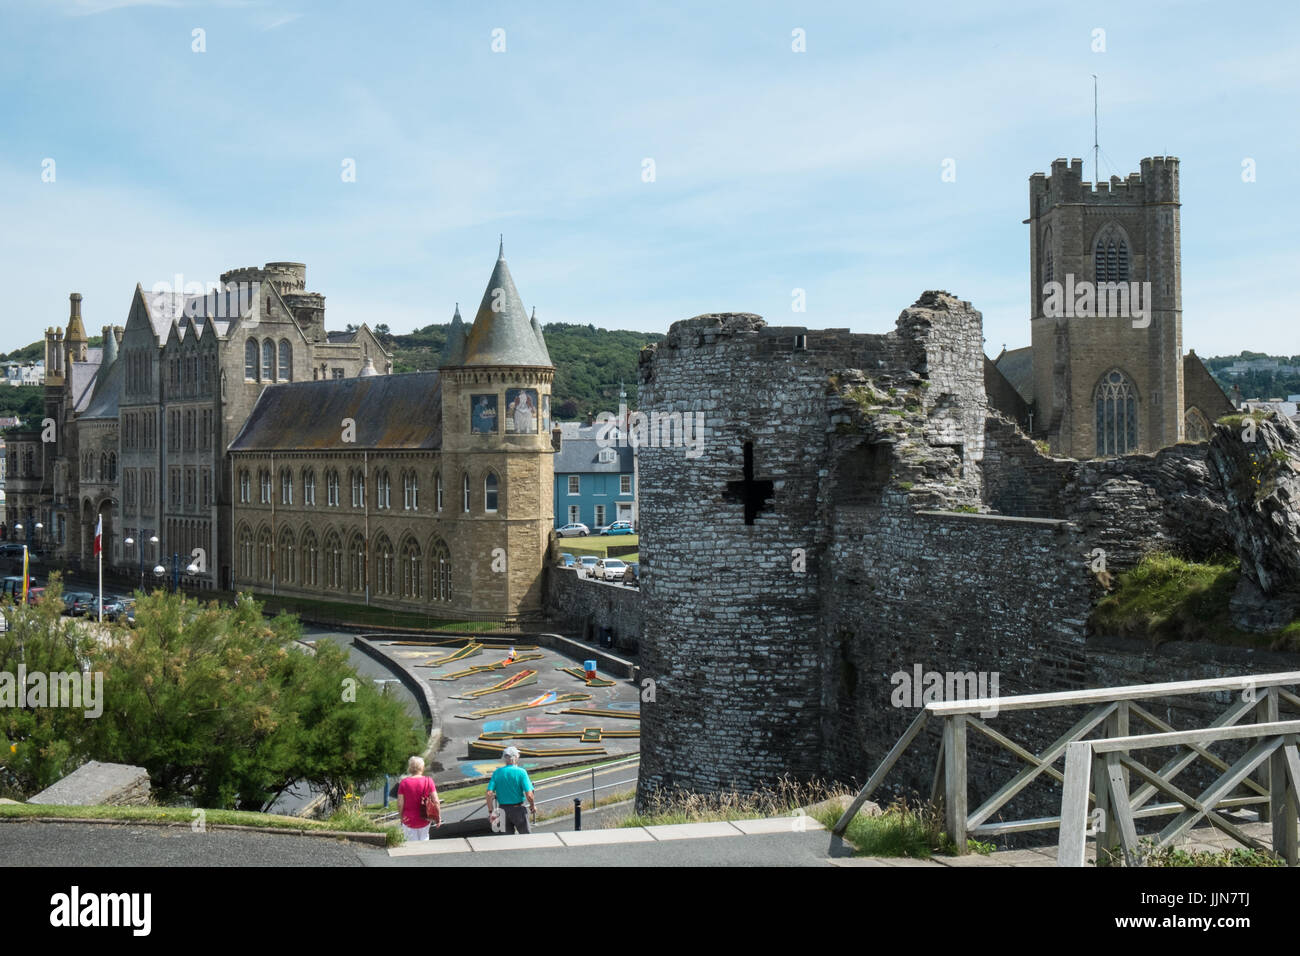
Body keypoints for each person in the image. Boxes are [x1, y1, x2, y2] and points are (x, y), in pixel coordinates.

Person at [485, 746, 537, 834]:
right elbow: (529, 794)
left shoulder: (497, 772)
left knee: (507, 840)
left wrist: (491, 811)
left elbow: (489, 793)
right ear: (515, 757)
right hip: (518, 809)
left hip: (502, 810)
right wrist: (532, 806)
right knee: (527, 838)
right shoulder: (521, 772)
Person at [396, 755, 440, 842]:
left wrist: (401, 817)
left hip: (408, 819)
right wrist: (438, 817)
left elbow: (400, 804)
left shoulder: (404, 783)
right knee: (424, 840)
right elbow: (436, 801)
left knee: (410, 846)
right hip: (425, 818)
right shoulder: (428, 781)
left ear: (410, 768)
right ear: (422, 768)